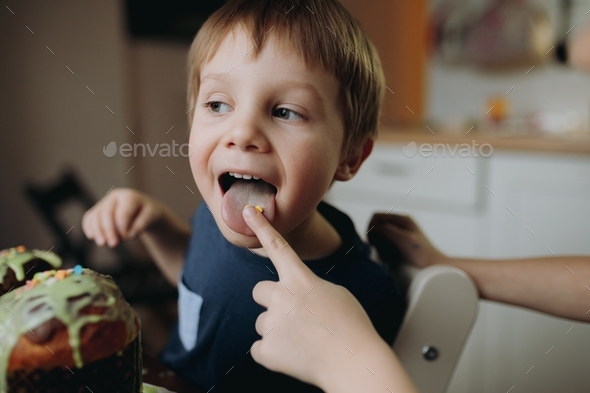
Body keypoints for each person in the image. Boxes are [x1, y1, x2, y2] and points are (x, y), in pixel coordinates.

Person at [82, 0, 405, 391]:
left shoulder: (361, 295)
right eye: (219, 104)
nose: (243, 133)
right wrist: (156, 226)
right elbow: (197, 278)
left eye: (286, 112)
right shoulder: (215, 211)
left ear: (350, 156)